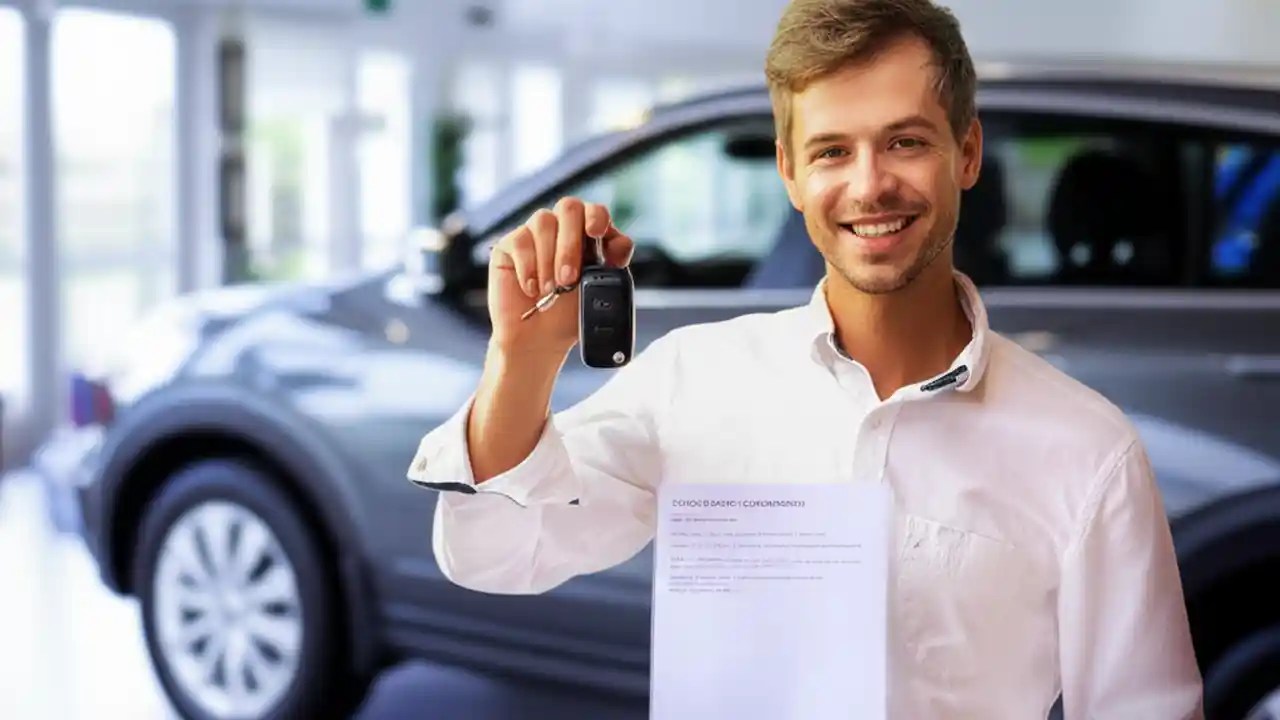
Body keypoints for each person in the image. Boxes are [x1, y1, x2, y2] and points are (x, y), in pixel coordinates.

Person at [406, 0, 1205, 717]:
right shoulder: (692, 382)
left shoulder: (1087, 450)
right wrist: (521, 363)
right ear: (789, 173)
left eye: (904, 142)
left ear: (966, 153)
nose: (869, 185)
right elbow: (495, 553)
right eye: (831, 152)